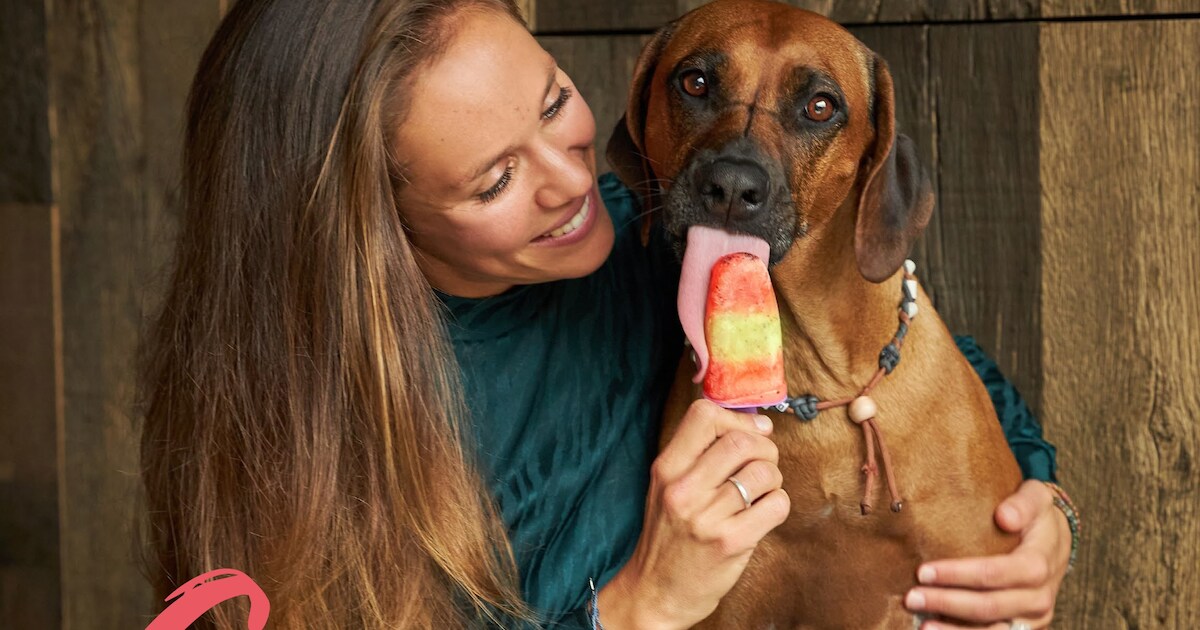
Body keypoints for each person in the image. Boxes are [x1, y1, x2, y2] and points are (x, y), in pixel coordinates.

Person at [138, 0, 1076, 628]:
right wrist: (636, 606)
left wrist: (1041, 509)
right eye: (497, 178)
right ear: (367, 227)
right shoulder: (322, 445)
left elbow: (902, 336)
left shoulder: (655, 238)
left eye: (554, 104)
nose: (568, 180)